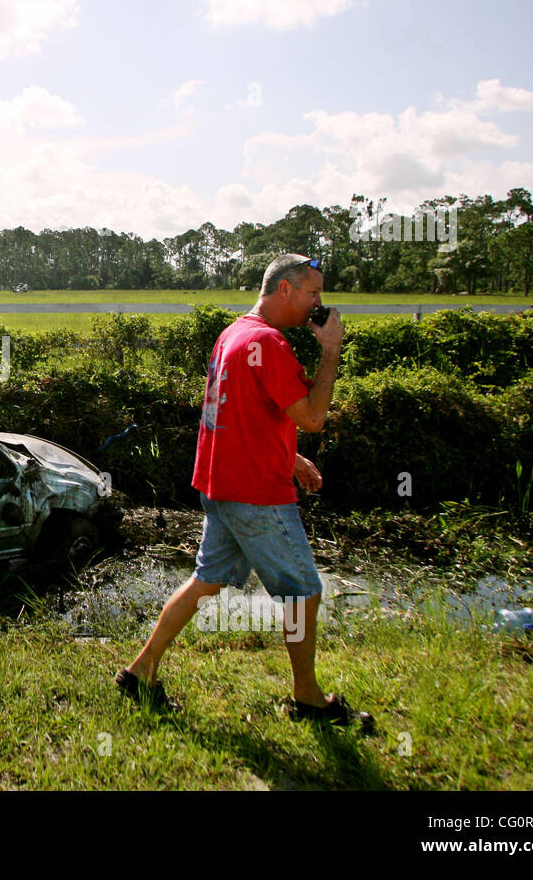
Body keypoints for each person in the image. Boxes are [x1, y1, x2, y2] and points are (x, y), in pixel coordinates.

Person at [114, 253, 372, 730]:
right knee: (302, 593)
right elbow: (313, 417)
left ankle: (139, 671)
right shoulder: (270, 344)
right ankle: (308, 698)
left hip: (221, 483)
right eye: (314, 293)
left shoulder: (234, 333)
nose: (320, 304)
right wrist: (331, 350)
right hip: (256, 494)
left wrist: (288, 456)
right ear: (286, 291)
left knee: (206, 580)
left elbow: (244, 412)